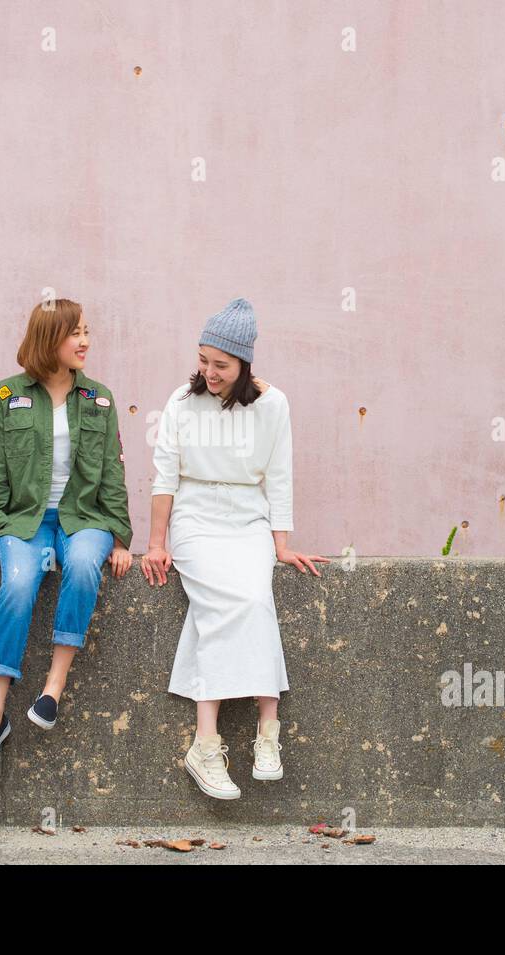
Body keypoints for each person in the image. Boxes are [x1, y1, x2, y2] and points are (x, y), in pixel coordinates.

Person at [141, 298, 328, 799]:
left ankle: (267, 732)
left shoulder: (273, 404)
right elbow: (165, 477)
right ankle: (207, 743)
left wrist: (281, 544)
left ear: (244, 362)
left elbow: (280, 475)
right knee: (224, 603)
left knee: (255, 598)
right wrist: (156, 543)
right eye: (203, 360)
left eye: (220, 364)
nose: (210, 372)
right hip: (196, 517)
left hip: (249, 518)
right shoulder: (182, 401)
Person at [0, 298, 133, 766]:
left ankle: (52, 689)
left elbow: (113, 472)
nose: (85, 341)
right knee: (19, 583)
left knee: (82, 564)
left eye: (86, 331)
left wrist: (120, 538)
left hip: (84, 517)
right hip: (26, 519)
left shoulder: (99, 398)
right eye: (74, 333)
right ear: (49, 338)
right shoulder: (5, 396)